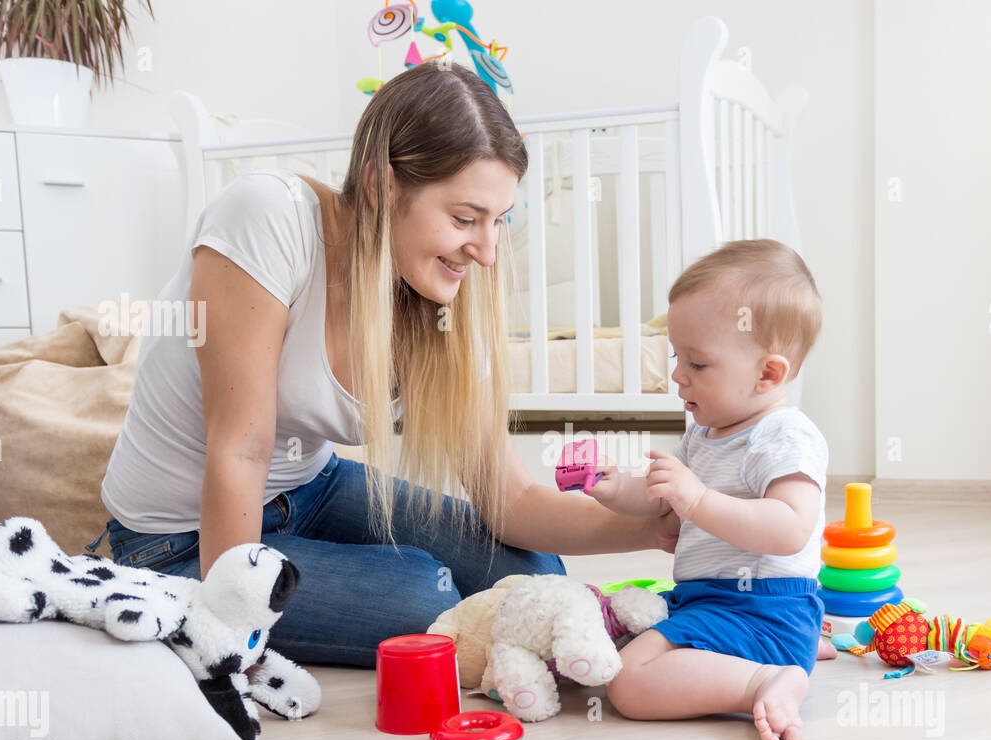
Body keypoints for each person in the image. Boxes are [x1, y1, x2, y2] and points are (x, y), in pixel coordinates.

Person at [87, 62, 678, 667]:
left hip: (306, 490)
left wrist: (654, 528)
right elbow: (240, 452)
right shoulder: (267, 218)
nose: (488, 252)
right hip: (177, 537)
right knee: (426, 593)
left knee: (532, 572)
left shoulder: (443, 294)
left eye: (497, 221)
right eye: (464, 218)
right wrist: (228, 630)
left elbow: (513, 501)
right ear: (381, 186)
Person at [589, 239, 828, 740]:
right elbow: (659, 503)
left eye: (697, 364)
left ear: (768, 374)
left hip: (760, 608)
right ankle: (773, 662)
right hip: (712, 601)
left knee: (626, 681)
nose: (677, 375)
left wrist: (698, 502)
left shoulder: (783, 435)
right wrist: (614, 489)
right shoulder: (705, 435)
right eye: (678, 357)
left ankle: (763, 681)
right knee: (612, 634)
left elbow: (791, 528)